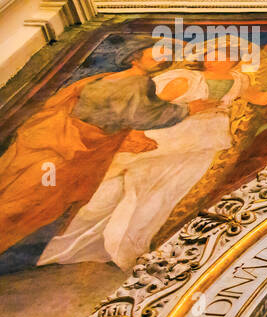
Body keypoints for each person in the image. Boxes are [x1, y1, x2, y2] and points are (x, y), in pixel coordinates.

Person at [38, 39, 267, 269]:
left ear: (233, 60)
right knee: (120, 184)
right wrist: (130, 135)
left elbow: (260, 100)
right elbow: (148, 109)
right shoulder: (185, 78)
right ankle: (76, 243)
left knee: (165, 194)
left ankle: (126, 250)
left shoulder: (239, 80)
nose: (212, 59)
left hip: (205, 141)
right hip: (166, 135)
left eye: (221, 55)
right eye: (210, 54)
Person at [0, 44, 193, 259]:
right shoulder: (136, 83)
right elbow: (143, 115)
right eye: (157, 55)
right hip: (70, 145)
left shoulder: (105, 78)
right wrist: (188, 109)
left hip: (55, 137)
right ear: (134, 58)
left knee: (18, 191)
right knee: (29, 199)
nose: (162, 59)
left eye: (165, 57)